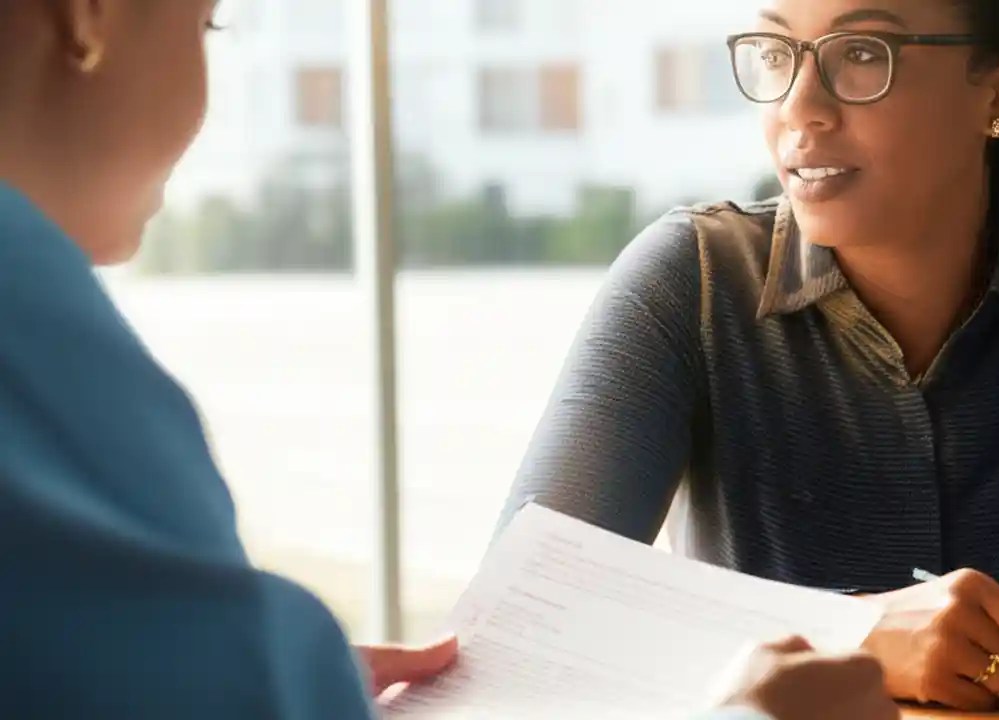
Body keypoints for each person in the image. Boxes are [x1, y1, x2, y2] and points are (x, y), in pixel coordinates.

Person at [0, 2, 897, 720]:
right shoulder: (34, 345)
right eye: (207, 24)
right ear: (88, 15)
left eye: (861, 57)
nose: (802, 110)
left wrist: (274, 685)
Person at [501, 0, 999, 713]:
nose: (798, 109)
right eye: (777, 55)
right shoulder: (692, 283)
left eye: (862, 54)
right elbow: (525, 620)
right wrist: (846, 630)